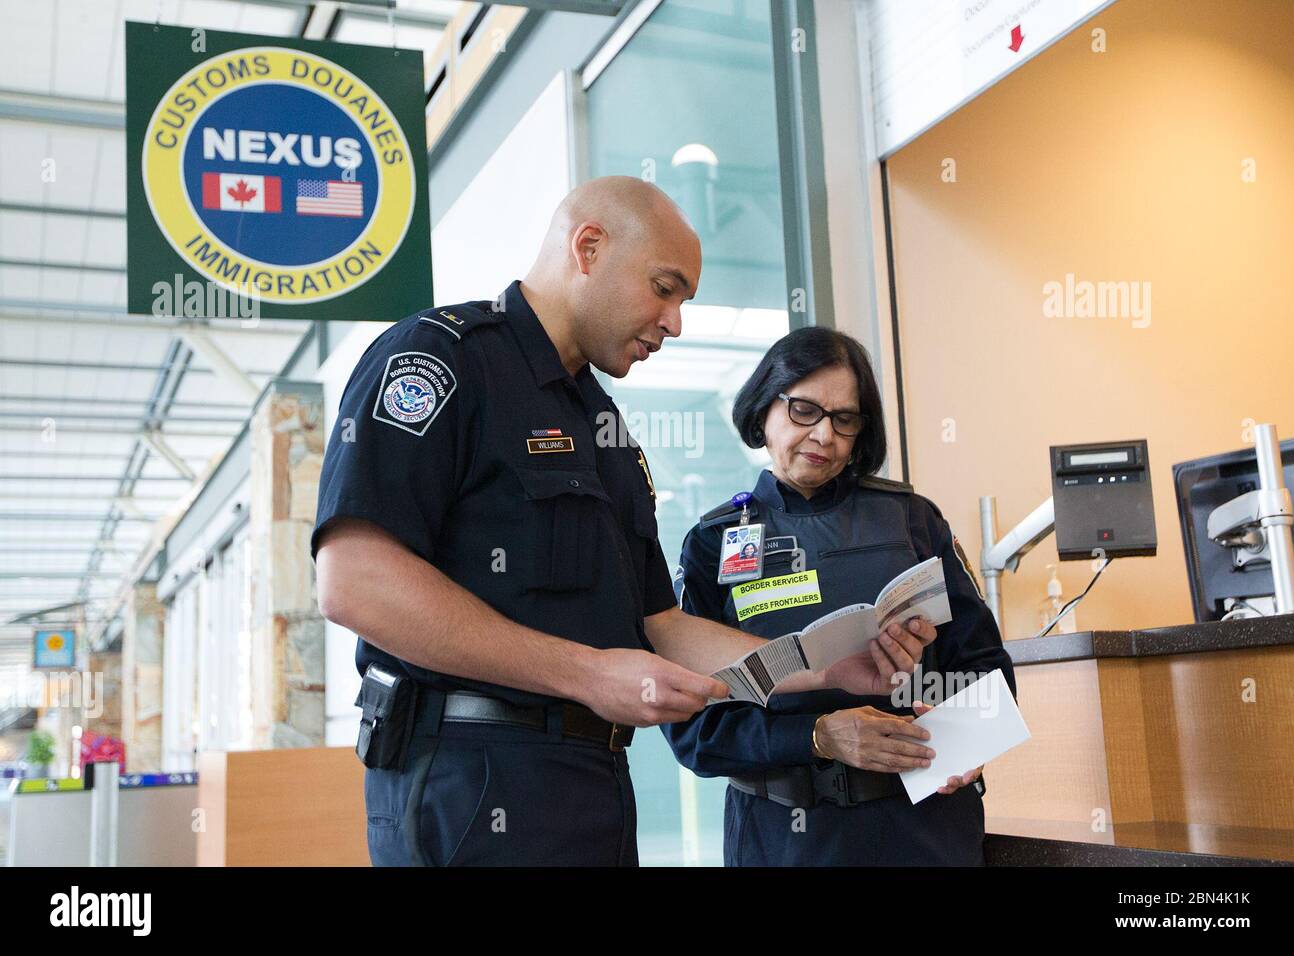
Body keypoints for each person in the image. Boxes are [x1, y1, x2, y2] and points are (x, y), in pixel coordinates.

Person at [311, 177, 932, 866]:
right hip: (470, 780)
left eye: (684, 301)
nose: (674, 322)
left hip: (592, 785)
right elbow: (354, 582)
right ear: (588, 247)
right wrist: (586, 674)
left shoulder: (600, 426)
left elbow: (661, 628)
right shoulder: (442, 361)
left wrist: (814, 669)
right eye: (664, 288)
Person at [665, 326, 1016, 866]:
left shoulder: (912, 520)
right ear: (765, 409)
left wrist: (969, 745)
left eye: (844, 419)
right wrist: (815, 735)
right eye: (804, 410)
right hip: (784, 838)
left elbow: (986, 668)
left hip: (924, 830)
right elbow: (694, 729)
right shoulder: (714, 543)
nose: (824, 435)